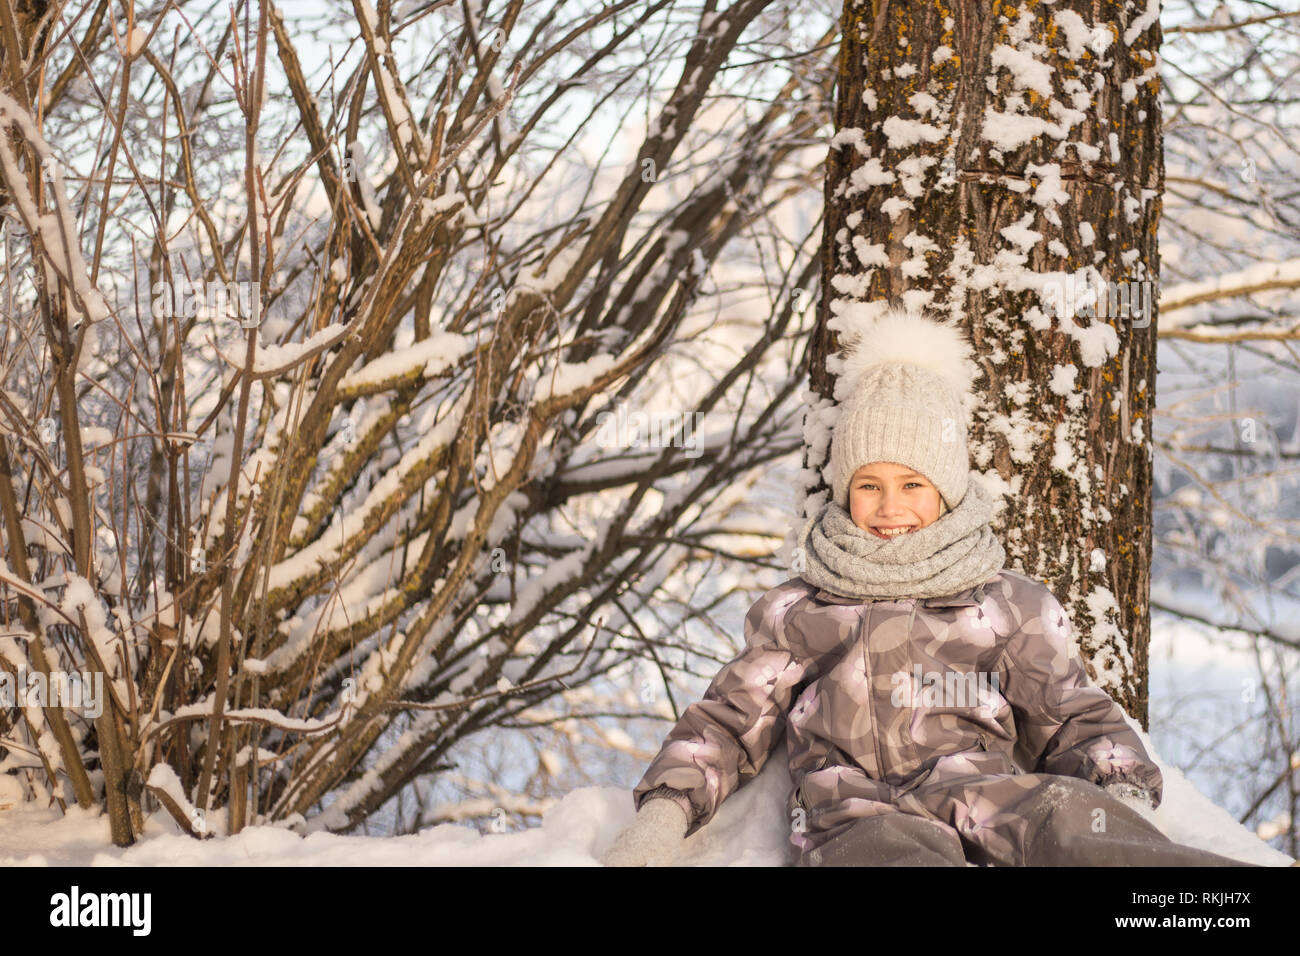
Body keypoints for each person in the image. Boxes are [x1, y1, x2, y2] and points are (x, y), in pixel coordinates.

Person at [603, 307, 1259, 867]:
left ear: (945, 491)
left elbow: (1073, 714)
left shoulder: (1007, 605)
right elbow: (726, 721)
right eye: (869, 485)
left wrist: (1118, 787)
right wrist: (666, 808)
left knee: (1068, 819)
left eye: (913, 485)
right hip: (853, 814)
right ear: (843, 490)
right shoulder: (801, 610)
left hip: (987, 794)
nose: (890, 507)